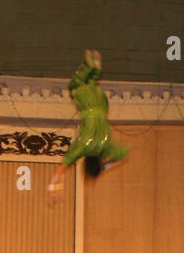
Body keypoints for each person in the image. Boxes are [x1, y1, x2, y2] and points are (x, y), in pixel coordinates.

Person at [47, 49, 128, 195]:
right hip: (89, 105)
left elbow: (123, 153)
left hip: (101, 103)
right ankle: (90, 66)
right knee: (75, 86)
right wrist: (54, 183)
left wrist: (105, 166)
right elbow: (66, 162)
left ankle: (95, 69)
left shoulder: (106, 147)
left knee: (90, 85)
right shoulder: (83, 147)